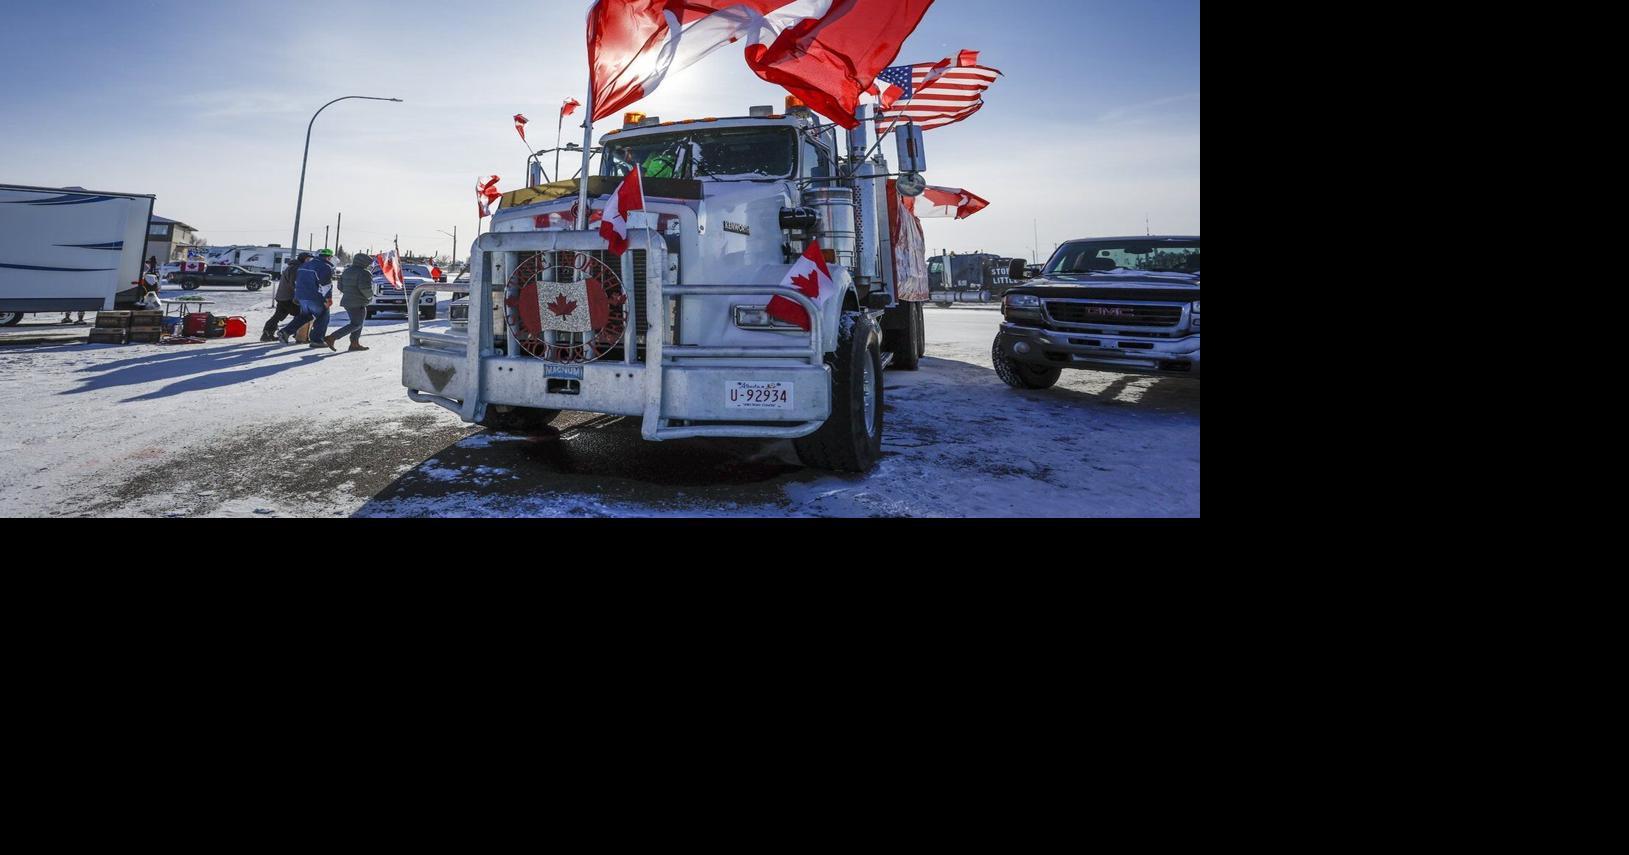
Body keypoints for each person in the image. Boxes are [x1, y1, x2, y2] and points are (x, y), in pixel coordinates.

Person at [278, 248, 337, 349]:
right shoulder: (324, 266)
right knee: (323, 316)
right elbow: (325, 284)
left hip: (302, 297)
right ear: (328, 257)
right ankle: (317, 340)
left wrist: (297, 296)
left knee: (306, 316)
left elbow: (297, 282)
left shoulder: (304, 265)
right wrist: (328, 298)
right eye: (330, 257)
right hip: (315, 297)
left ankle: (285, 332)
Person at [324, 253, 376, 352]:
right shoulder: (364, 273)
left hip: (347, 301)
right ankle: (332, 338)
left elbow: (340, 286)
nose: (369, 265)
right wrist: (370, 297)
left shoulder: (347, 271)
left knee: (357, 323)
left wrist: (349, 292)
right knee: (356, 324)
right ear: (363, 262)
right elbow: (365, 288)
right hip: (358, 302)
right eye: (368, 263)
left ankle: (354, 344)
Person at [263, 252, 312, 341]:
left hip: (283, 296)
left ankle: (267, 334)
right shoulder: (296, 268)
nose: (309, 261)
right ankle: (293, 334)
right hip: (289, 298)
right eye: (308, 259)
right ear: (303, 259)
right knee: (302, 316)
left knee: (278, 316)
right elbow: (295, 284)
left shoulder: (293, 267)